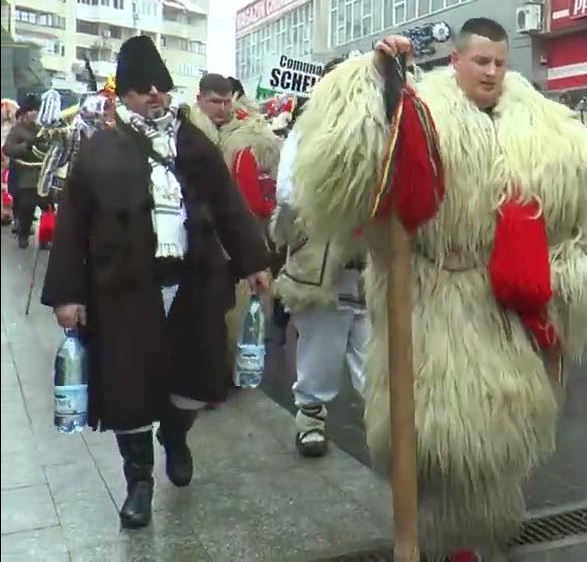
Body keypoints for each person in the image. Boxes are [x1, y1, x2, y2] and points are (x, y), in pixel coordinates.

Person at [289, 17, 587, 558]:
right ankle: (436, 542)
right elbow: (346, 171)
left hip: (509, 315)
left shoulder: (554, 138)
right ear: (457, 61)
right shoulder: (419, 114)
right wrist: (373, 79)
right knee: (430, 443)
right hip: (428, 303)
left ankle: (475, 542)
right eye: (480, 61)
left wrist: (552, 281)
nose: (491, 72)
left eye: (499, 62)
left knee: (498, 444)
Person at [40, 35, 272, 530]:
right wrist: (67, 294)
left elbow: (230, 206)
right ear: (123, 93)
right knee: (129, 382)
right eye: (143, 88)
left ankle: (176, 434)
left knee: (193, 375)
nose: (154, 96)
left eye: (160, 87)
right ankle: (139, 483)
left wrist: (254, 260)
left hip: (192, 281)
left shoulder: (194, 142)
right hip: (123, 287)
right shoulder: (99, 149)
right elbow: (74, 224)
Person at [271, 59, 371, 458]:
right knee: (321, 348)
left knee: (375, 351)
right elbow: (288, 192)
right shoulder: (306, 129)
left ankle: (387, 424)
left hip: (370, 260)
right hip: (322, 260)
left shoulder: (378, 128)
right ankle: (310, 418)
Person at [188, 73, 282, 377]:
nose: (222, 108)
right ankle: (202, 375)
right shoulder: (183, 131)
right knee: (199, 315)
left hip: (241, 237)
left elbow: (275, 175)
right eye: (215, 101)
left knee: (241, 311)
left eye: (227, 101)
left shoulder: (253, 134)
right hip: (194, 237)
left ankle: (232, 373)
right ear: (200, 98)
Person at [2, 94, 44, 248]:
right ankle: (23, 234)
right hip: (24, 174)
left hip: (41, 173)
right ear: (26, 112)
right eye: (32, 110)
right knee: (27, 205)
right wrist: (26, 146)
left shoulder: (42, 129)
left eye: (37, 110)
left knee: (48, 207)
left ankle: (46, 237)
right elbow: (8, 149)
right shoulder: (17, 129)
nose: (34, 113)